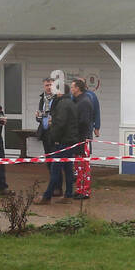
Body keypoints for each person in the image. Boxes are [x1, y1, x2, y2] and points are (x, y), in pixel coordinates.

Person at [38, 75, 77, 203]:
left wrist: (54, 137)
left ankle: (46, 196)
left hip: (63, 141)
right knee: (67, 168)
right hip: (69, 140)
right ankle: (69, 194)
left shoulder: (62, 104)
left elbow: (60, 124)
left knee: (55, 168)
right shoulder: (69, 102)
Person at [69, 79, 99, 200]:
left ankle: (85, 191)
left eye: (72, 87)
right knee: (78, 166)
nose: (71, 89)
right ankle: (79, 189)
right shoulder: (78, 101)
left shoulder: (85, 102)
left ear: (78, 88)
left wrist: (80, 139)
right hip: (77, 139)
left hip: (83, 139)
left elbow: (84, 123)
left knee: (84, 166)